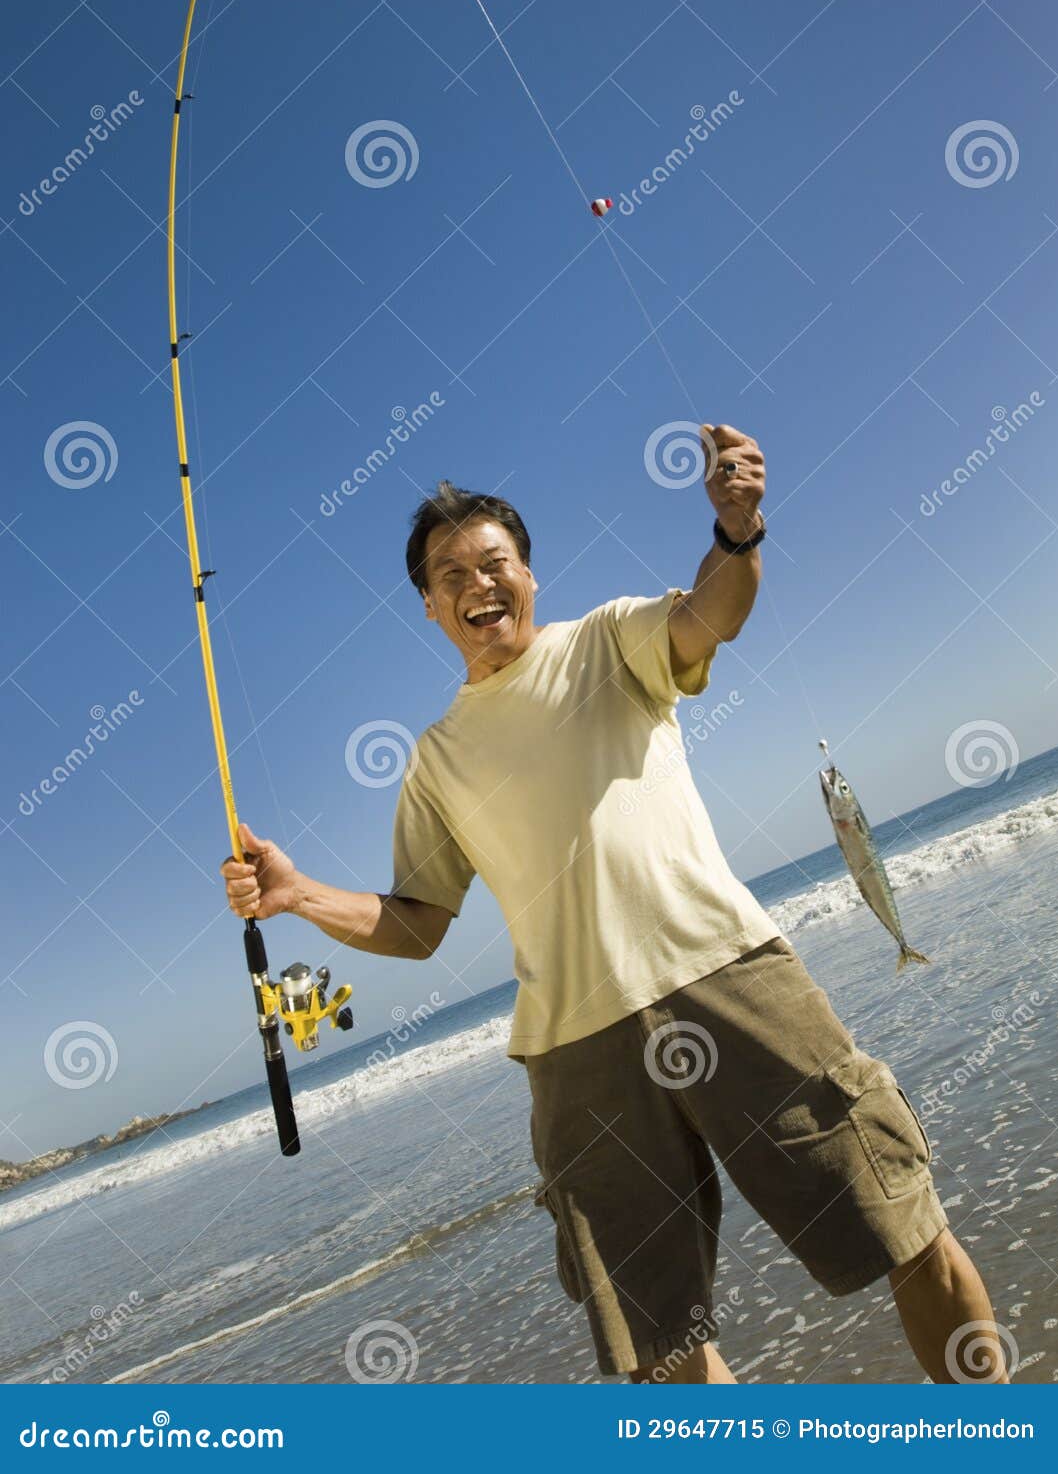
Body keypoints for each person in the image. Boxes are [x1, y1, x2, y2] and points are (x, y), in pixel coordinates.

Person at [221, 423, 1008, 1385]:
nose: (478, 585)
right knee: (659, 1340)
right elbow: (417, 924)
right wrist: (299, 894)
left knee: (901, 1222)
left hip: (724, 973)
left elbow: (709, 618)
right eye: (450, 574)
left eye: (494, 562)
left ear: (529, 576)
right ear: (427, 605)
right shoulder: (432, 759)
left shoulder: (603, 641)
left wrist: (735, 532)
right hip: (573, 1050)